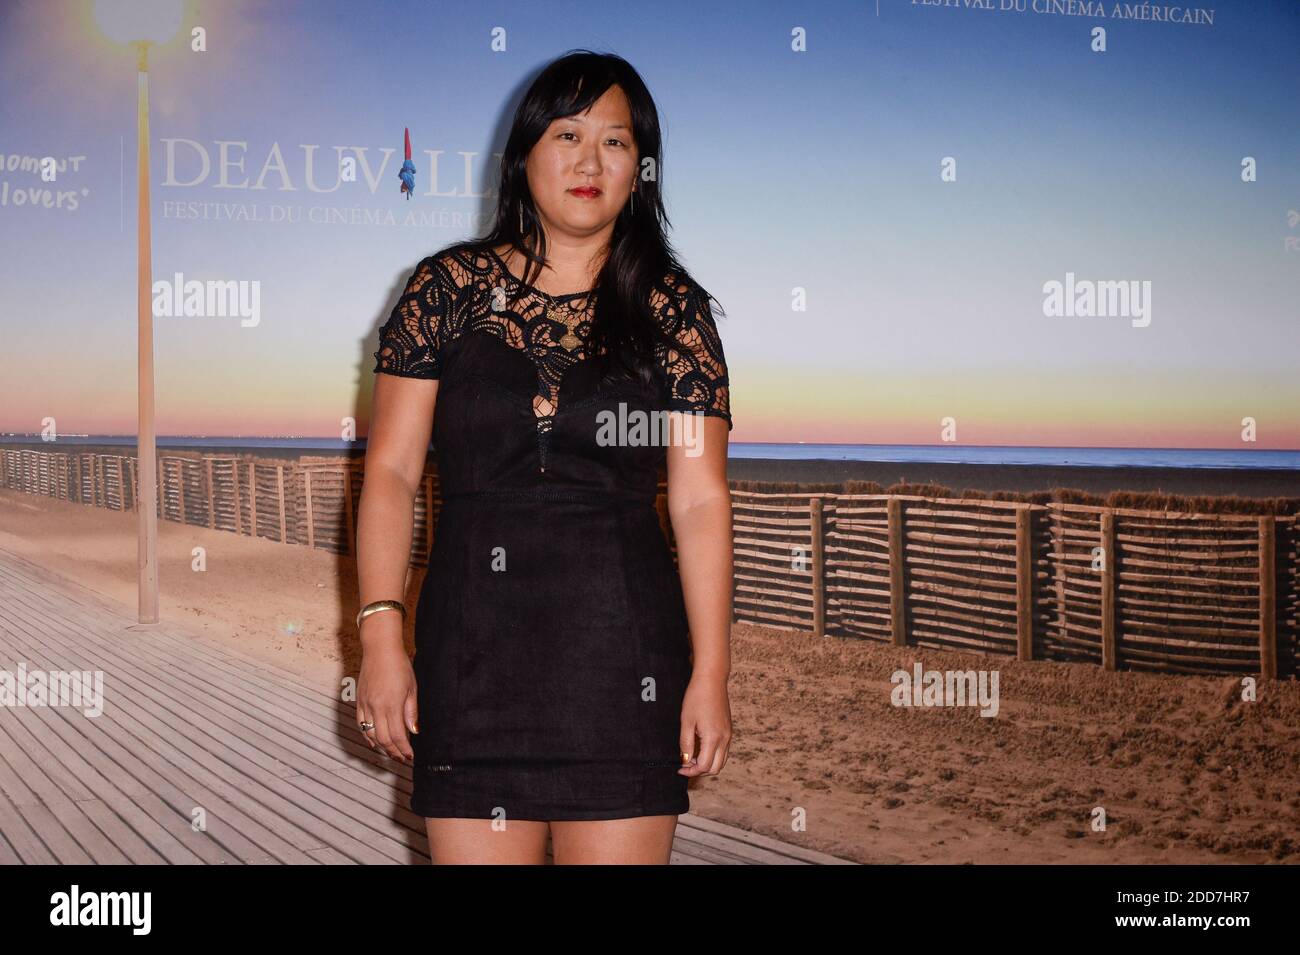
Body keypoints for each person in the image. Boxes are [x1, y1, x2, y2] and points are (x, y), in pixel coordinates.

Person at [356, 50, 733, 864]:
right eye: (568, 134)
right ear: (526, 152)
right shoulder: (442, 290)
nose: (590, 161)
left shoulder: (675, 314)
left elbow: (700, 502)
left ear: (643, 166)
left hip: (624, 665)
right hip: (471, 661)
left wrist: (712, 672)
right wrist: (381, 635)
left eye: (617, 141)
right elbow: (388, 471)